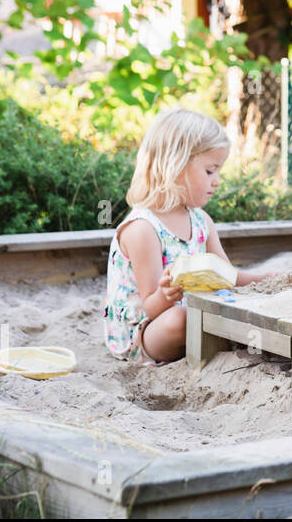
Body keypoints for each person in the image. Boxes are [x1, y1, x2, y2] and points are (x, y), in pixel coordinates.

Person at [102, 108, 273, 364]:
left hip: (193, 313)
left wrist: (265, 279)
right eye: (209, 171)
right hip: (145, 331)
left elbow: (227, 276)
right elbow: (150, 305)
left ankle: (215, 337)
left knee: (225, 309)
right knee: (181, 319)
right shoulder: (142, 229)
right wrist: (164, 295)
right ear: (176, 166)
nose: (217, 181)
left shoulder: (201, 221)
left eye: (218, 172)